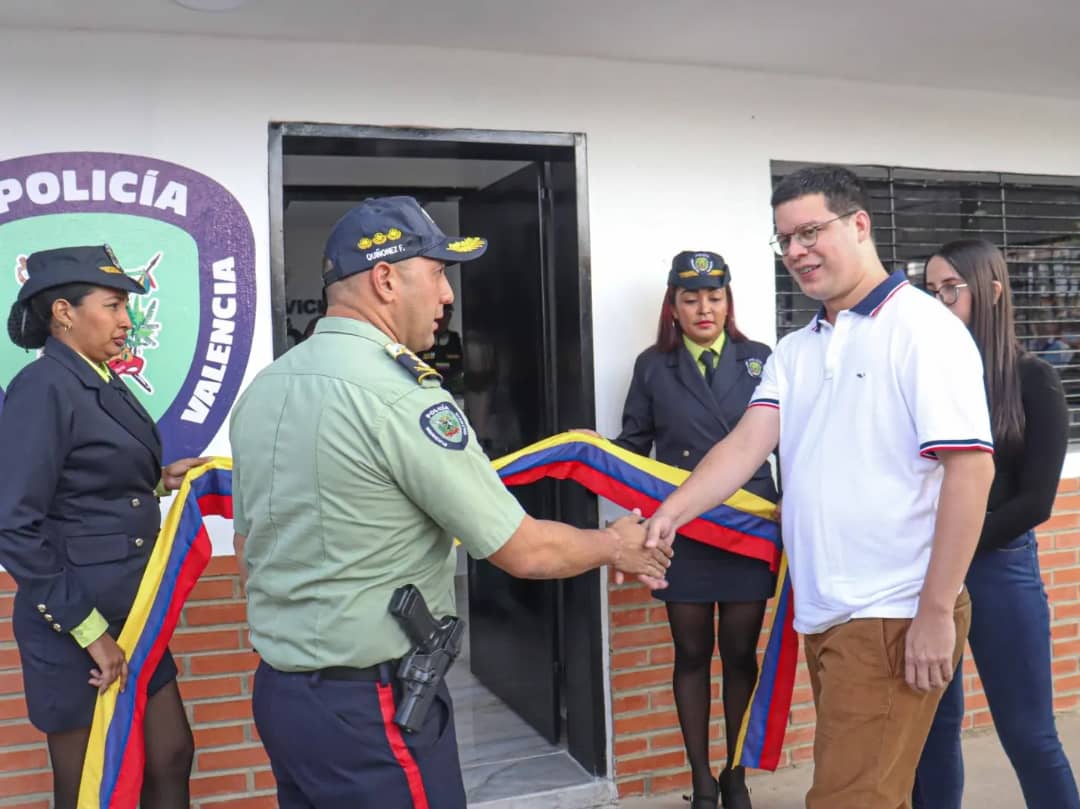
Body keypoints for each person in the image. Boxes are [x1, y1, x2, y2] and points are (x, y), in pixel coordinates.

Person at [228, 196, 670, 809]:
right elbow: (524, 550)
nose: (447, 296)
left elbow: (248, 548)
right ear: (385, 279)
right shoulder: (403, 399)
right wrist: (615, 544)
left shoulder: (266, 389)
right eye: (436, 273)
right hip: (372, 708)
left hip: (283, 695)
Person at [644, 166, 996, 809]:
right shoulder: (796, 350)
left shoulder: (924, 329)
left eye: (810, 231)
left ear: (859, 225)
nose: (797, 251)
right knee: (871, 788)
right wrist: (671, 513)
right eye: (785, 239)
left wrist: (936, 611)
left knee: (847, 796)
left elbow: (970, 470)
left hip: (892, 609)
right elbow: (745, 445)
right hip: (826, 610)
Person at [0, 245, 209, 809]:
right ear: (64, 312)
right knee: (92, 782)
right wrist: (89, 632)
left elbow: (87, 483)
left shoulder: (99, 378)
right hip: (78, 622)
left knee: (169, 756)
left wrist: (161, 481)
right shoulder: (43, 386)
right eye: (114, 305)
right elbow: (14, 523)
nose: (126, 321)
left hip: (134, 612)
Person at [914, 240, 1080, 809]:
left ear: (990, 291)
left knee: (1029, 735)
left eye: (950, 290)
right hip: (928, 574)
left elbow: (1035, 501)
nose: (938, 303)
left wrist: (955, 545)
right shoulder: (924, 377)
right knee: (934, 732)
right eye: (930, 291)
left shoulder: (1033, 379)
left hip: (1000, 570)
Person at [613, 251, 775, 809]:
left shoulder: (761, 359)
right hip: (683, 531)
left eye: (714, 296)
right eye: (691, 298)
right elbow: (633, 446)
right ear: (673, 307)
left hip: (749, 530)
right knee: (690, 654)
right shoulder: (652, 366)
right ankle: (702, 784)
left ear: (728, 302)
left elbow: (789, 443)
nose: (704, 308)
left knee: (739, 654)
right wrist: (612, 501)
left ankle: (735, 777)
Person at [420, 302, 464, 395]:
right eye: (442, 316)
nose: (444, 320)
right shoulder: (424, 339)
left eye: (447, 316)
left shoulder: (454, 339)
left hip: (452, 388)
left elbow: (460, 366)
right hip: (428, 387)